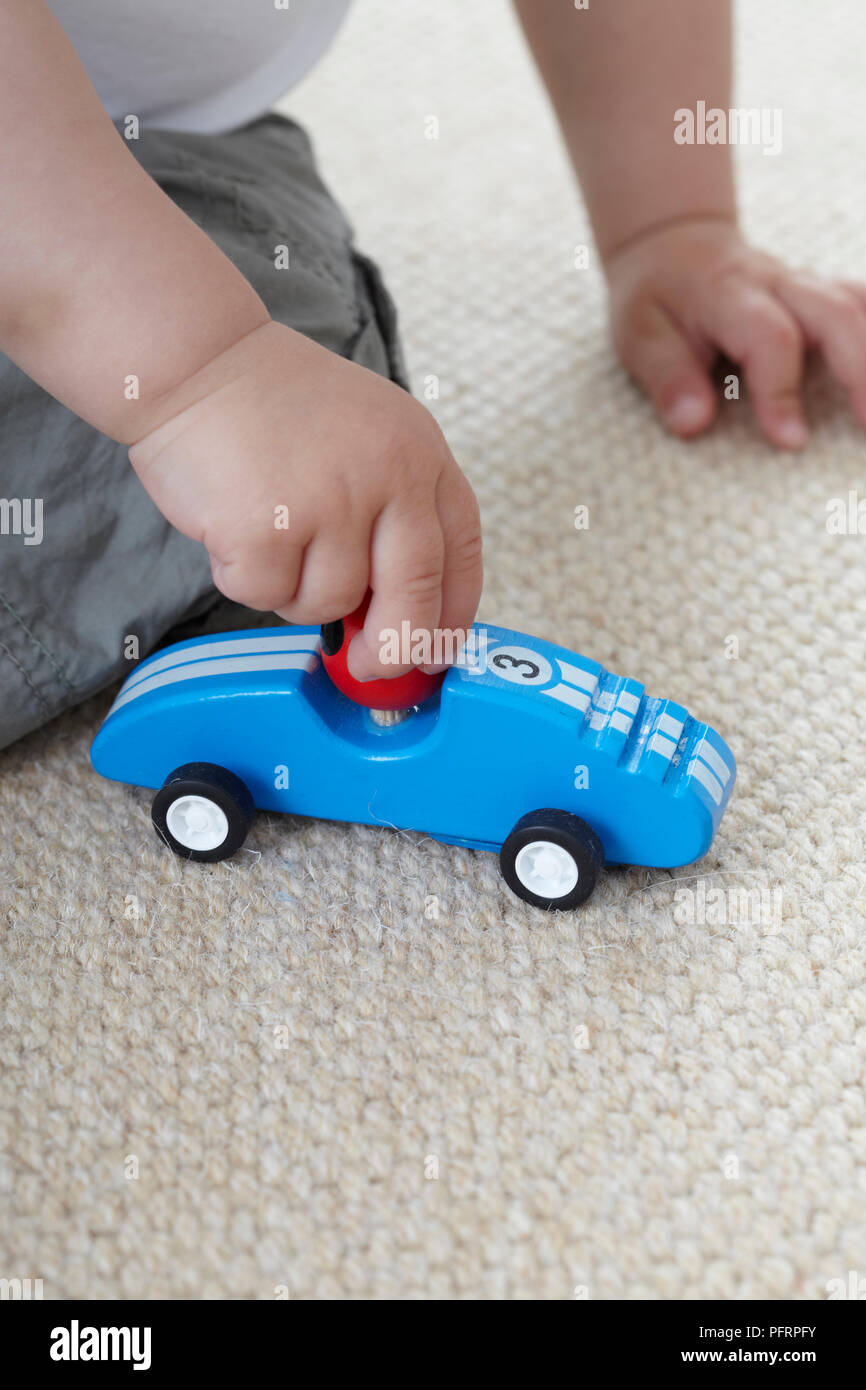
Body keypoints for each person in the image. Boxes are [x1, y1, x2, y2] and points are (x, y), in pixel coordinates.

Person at [1, 1, 863, 751]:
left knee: (326, 476)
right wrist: (197, 377)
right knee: (210, 505)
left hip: (170, 134)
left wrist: (673, 223)